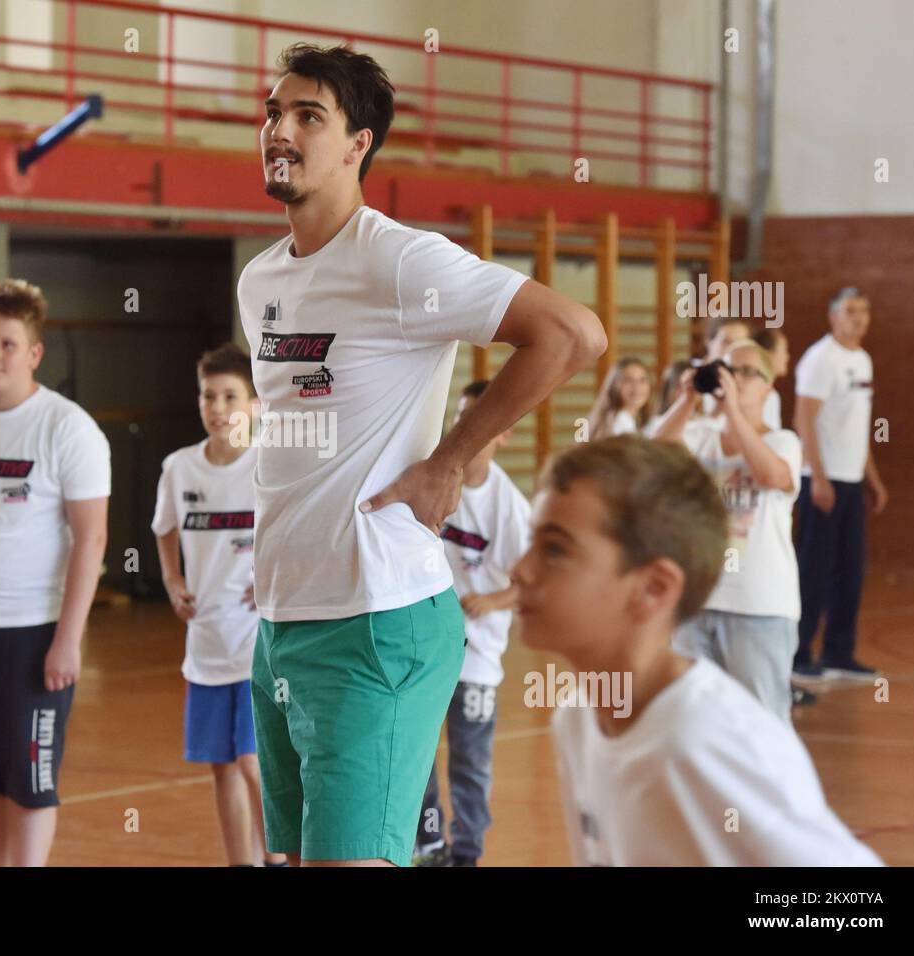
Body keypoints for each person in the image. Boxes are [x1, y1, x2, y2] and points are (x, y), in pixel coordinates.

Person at [240, 43, 604, 867]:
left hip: (377, 619)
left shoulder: (398, 259)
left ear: (358, 144)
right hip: (282, 623)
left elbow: (574, 333)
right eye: (272, 111)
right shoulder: (260, 281)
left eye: (308, 117)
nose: (279, 130)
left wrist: (449, 460)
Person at [513, 435, 882, 865]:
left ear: (653, 588)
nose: (520, 569)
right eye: (531, 542)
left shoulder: (706, 740)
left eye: (555, 549)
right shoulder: (577, 720)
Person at [0, 279, 110, 867]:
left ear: (33, 353)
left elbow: (92, 538)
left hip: (33, 631)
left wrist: (68, 639)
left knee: (30, 776)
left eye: (7, 343)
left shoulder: (67, 427)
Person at [152, 343, 286, 867]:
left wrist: (274, 579)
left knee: (255, 761)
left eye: (230, 396)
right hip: (206, 642)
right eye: (209, 395)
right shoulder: (179, 468)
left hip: (258, 642)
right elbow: (163, 529)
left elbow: (297, 533)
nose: (217, 406)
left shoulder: (270, 467)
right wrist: (170, 579)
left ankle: (278, 857)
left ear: (255, 405)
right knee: (222, 766)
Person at [652, 340, 801, 721]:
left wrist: (733, 410)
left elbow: (771, 475)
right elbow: (651, 458)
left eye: (748, 372)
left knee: (763, 721)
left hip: (760, 605)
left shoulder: (783, 441)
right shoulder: (699, 434)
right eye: (729, 369)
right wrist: (686, 400)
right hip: (697, 600)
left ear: (769, 387)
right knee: (692, 719)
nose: (735, 378)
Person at [413, 381, 530, 867]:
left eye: (483, 420)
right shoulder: (434, 479)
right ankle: (429, 845)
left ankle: (466, 853)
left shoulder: (509, 507)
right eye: (463, 416)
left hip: (476, 656)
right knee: (415, 755)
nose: (470, 427)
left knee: (469, 761)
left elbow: (530, 584)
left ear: (502, 433)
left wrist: (494, 598)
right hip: (425, 647)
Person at [793, 288, 887, 682]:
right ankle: (798, 652)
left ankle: (838, 651)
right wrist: (819, 476)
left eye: (863, 311)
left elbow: (858, 427)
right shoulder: (820, 359)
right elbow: (804, 420)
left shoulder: (862, 360)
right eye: (849, 311)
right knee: (814, 569)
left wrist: (873, 479)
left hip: (850, 481)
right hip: (822, 480)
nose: (858, 318)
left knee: (850, 568)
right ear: (832, 316)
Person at [585, 357, 652, 440]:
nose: (637, 387)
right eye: (628, 380)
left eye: (642, 380)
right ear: (614, 385)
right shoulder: (621, 421)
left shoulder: (613, 418)